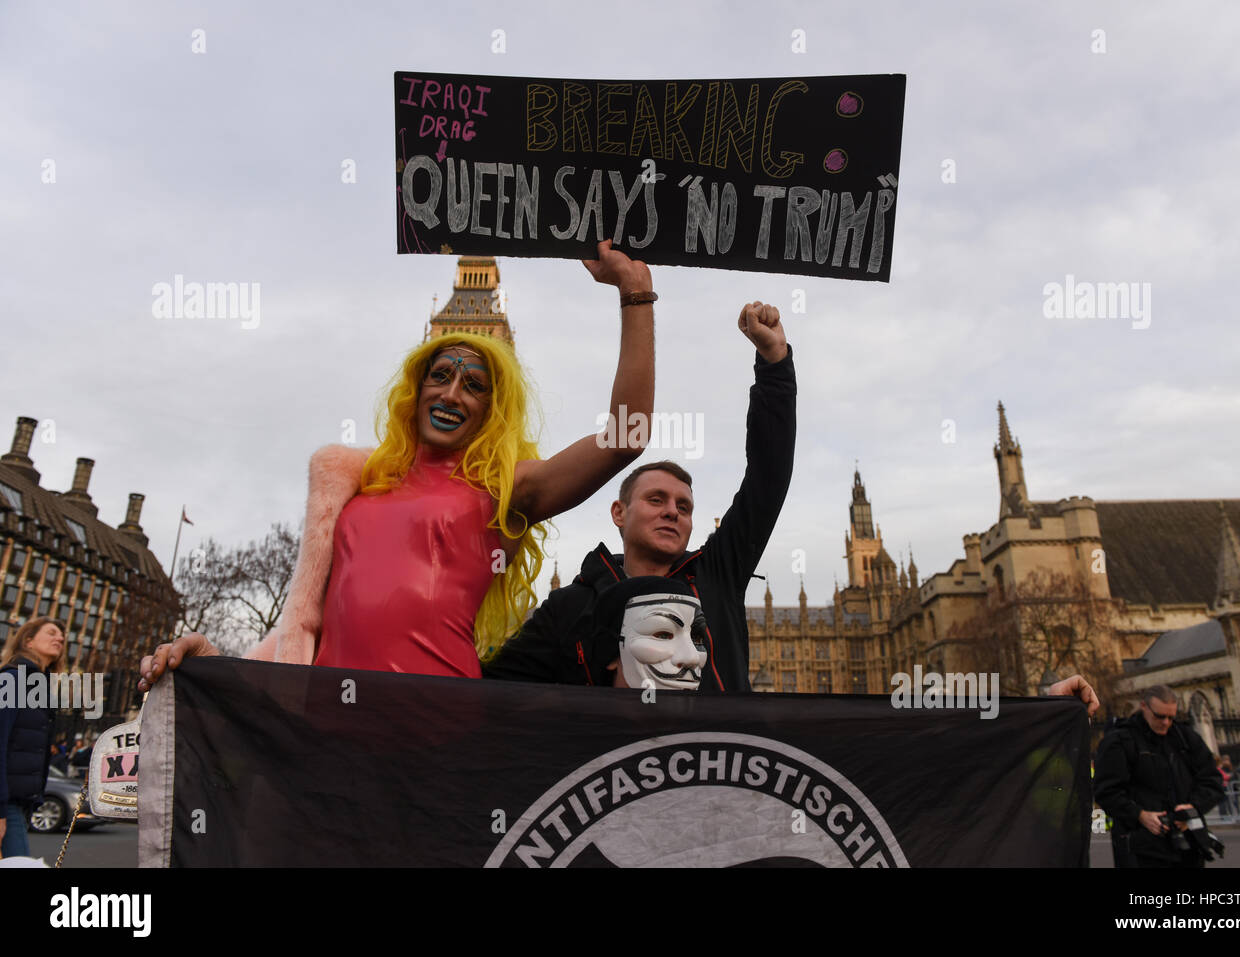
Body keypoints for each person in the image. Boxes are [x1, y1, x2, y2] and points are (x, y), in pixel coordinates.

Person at [140, 240, 655, 688]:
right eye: (441, 375)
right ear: (416, 387)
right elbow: (311, 625)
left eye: (473, 384)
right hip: (324, 726)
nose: (452, 393)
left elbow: (625, 439)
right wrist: (218, 669)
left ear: (492, 409)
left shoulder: (502, 487)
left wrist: (634, 294)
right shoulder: (357, 483)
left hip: (431, 724)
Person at [482, 300, 795, 692]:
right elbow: (484, 688)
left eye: (684, 507)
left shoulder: (717, 576)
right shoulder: (571, 607)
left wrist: (774, 363)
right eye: (656, 500)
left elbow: (768, 477)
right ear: (619, 512)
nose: (672, 512)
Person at [1094, 685, 1223, 868]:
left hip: (1187, 845)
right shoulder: (1120, 740)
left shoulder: (1185, 738)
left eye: (1171, 717)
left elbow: (1212, 781)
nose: (1166, 723)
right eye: (1159, 716)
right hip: (1141, 848)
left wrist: (1193, 807)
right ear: (1144, 707)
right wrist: (1140, 815)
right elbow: (1105, 790)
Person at [0, 617, 67, 858]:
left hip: (22, 802)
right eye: (51, 633)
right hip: (7, 804)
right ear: (28, 641)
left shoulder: (38, 688)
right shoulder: (12, 680)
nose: (59, 638)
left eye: (61, 636)